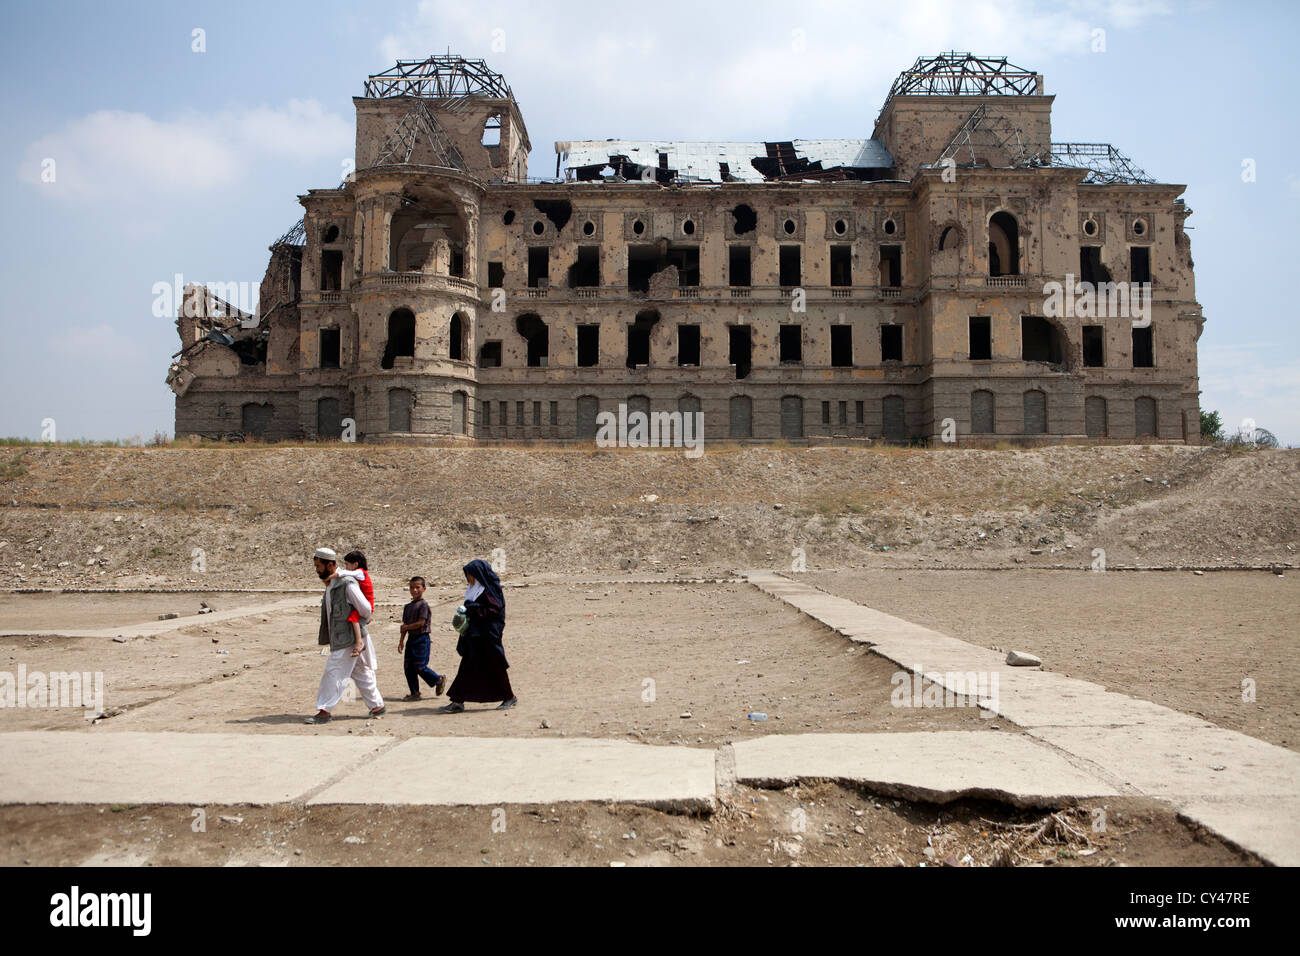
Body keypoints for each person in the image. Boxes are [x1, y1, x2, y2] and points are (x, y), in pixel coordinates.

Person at [307, 547, 385, 724]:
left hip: (348, 638)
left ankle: (324, 710)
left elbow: (365, 609)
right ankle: (377, 705)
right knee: (360, 671)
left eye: (319, 566)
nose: (317, 569)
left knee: (333, 671)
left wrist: (359, 622)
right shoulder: (331, 585)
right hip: (342, 637)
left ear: (331, 564)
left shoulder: (347, 583)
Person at [440, 559, 517, 713]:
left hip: (488, 636)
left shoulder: (489, 590)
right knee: (467, 667)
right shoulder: (473, 589)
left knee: (496, 667)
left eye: (470, 575)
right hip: (475, 636)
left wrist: (472, 610)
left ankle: (509, 697)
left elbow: (494, 609)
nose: (468, 578)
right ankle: (457, 701)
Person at [398, 576, 446, 701]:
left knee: (420, 666)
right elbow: (404, 627)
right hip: (411, 639)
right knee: (408, 668)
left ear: (424, 589)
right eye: (412, 588)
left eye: (417, 587)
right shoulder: (407, 607)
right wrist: (401, 641)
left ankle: (438, 679)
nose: (414, 590)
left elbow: (421, 623)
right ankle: (415, 693)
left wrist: (407, 627)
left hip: (422, 639)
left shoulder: (423, 605)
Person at [332, 550, 374, 659]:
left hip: (367, 603)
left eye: (347, 564)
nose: (346, 567)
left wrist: (337, 574)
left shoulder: (360, 572)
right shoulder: (361, 573)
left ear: (355, 564)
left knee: (353, 618)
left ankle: (359, 642)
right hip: (366, 601)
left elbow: (348, 573)